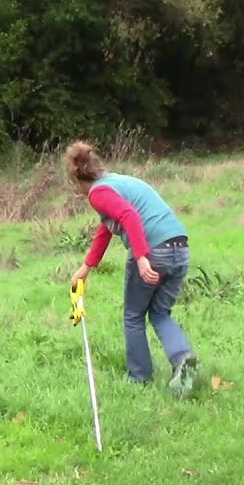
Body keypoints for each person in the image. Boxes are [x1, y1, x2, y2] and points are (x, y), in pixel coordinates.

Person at [65, 140, 200, 396]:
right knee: (160, 313)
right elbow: (107, 228)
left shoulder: (98, 193)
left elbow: (128, 216)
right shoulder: (118, 182)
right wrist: (87, 266)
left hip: (153, 251)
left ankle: (139, 377)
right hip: (179, 247)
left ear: (76, 178)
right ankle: (183, 360)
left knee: (134, 315)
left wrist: (141, 257)